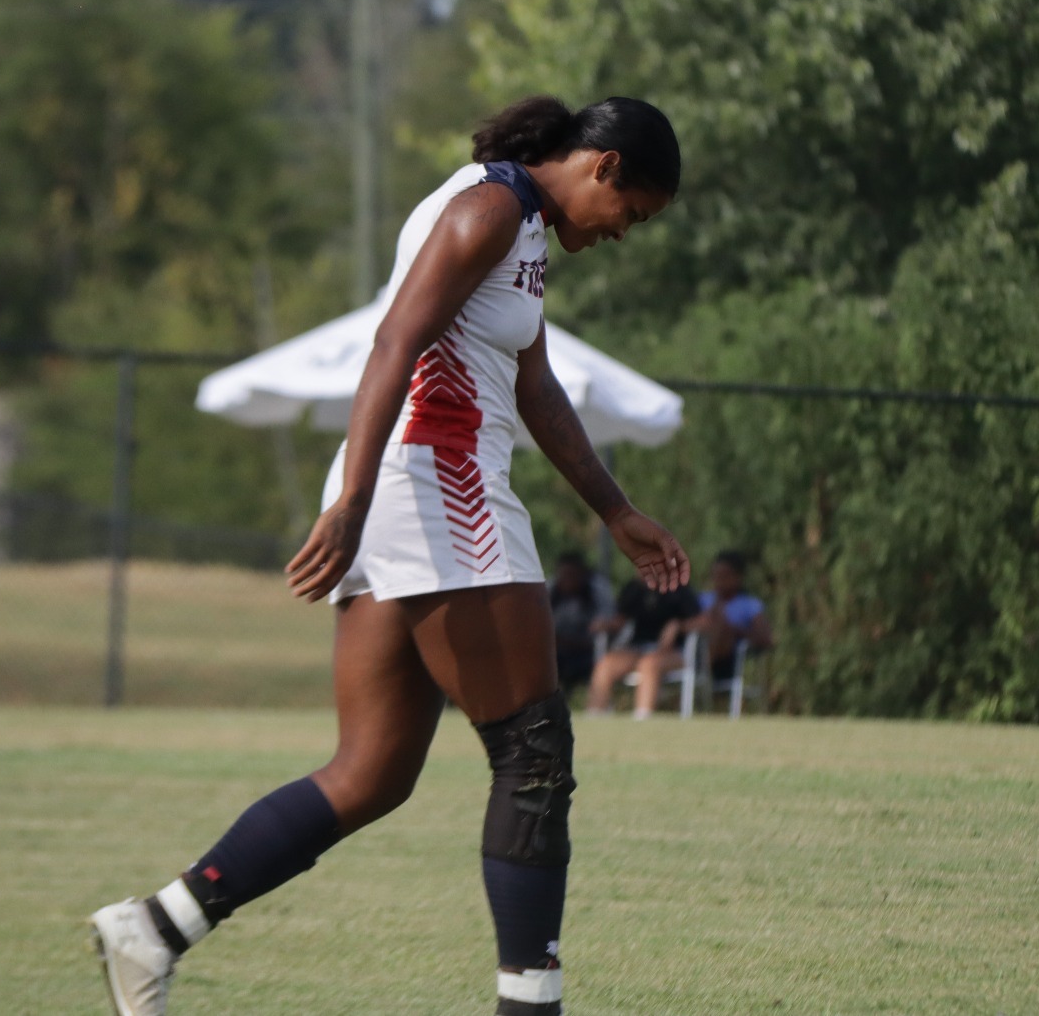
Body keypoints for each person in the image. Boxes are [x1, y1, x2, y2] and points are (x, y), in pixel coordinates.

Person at [91, 96, 690, 1016]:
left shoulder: (524, 227)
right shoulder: (490, 208)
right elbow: (393, 343)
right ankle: (531, 1007)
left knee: (370, 772)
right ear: (604, 166)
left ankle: (154, 928)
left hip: (409, 490)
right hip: (433, 485)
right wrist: (354, 503)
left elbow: (533, 383)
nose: (623, 233)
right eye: (632, 213)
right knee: (533, 753)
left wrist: (616, 510)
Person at [583, 568, 700, 717]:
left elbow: (703, 621)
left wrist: (678, 626)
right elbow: (621, 619)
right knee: (606, 664)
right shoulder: (634, 589)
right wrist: (605, 624)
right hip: (638, 649)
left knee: (649, 664)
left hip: (671, 651)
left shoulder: (678, 588)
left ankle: (643, 716)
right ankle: (594, 715)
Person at [681, 550, 772, 686]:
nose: (719, 580)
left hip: (729, 659)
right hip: (696, 649)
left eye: (724, 576)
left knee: (720, 626)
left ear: (738, 577)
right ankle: (700, 669)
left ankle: (703, 673)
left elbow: (766, 639)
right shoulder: (702, 600)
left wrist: (733, 630)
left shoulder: (750, 605)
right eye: (716, 575)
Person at [548, 549, 612, 689]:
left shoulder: (595, 590)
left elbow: (604, 623)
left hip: (587, 653)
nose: (568, 579)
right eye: (564, 575)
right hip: (556, 652)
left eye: (572, 575)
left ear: (582, 574)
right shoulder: (551, 591)